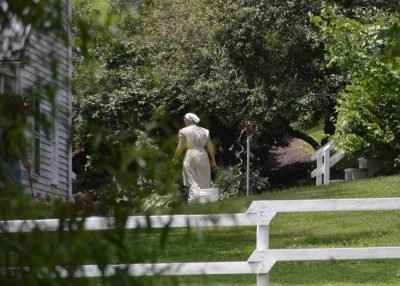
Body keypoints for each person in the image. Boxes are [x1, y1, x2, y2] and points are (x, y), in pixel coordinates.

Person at [173, 113, 217, 203]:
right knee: (205, 182)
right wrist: (213, 161)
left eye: (185, 120)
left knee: (193, 182)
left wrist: (175, 157)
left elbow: (180, 147)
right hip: (203, 156)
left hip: (190, 155)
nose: (184, 122)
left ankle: (193, 203)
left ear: (189, 120)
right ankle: (205, 203)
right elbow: (210, 147)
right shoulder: (205, 131)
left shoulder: (183, 131)